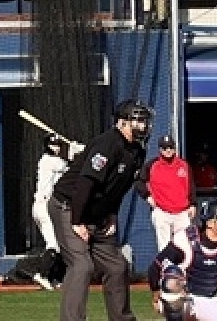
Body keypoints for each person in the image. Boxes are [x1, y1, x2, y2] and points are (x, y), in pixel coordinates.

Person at [48, 100, 150, 321]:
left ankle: (122, 318)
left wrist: (112, 214)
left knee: (117, 266)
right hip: (69, 206)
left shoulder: (137, 152)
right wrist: (77, 221)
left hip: (98, 214)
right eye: (138, 120)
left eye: (144, 120)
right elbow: (86, 183)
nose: (143, 126)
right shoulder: (108, 144)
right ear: (122, 122)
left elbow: (119, 188)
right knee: (81, 265)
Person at [137, 134, 196, 253]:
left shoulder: (184, 165)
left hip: (182, 212)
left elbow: (191, 186)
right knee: (164, 247)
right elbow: (139, 182)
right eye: (164, 148)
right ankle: (166, 270)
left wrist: (193, 204)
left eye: (170, 147)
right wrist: (147, 196)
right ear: (160, 149)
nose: (168, 150)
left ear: (174, 148)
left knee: (185, 247)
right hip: (162, 211)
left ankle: (182, 270)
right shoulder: (151, 165)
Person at [31, 133, 70, 289]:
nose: (56, 148)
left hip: (44, 206)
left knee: (58, 243)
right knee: (54, 243)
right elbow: (69, 166)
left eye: (58, 145)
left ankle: (55, 278)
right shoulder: (49, 161)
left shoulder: (55, 160)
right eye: (53, 145)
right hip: (44, 206)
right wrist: (79, 150)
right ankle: (42, 274)